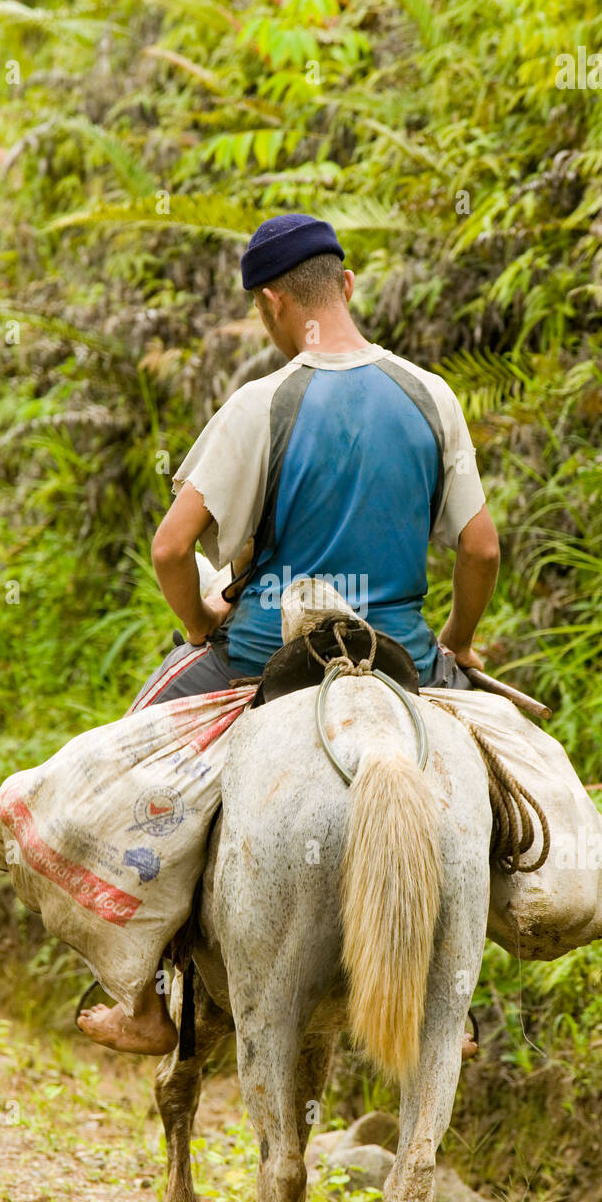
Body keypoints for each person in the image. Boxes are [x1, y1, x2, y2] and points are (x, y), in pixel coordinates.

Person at [78, 214, 500, 1055]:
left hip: (273, 651)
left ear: (273, 303)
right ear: (345, 285)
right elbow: (481, 548)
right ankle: (465, 993)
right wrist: (455, 640)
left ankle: (145, 992)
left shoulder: (260, 405)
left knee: (134, 758)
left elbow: (171, 548)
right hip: (402, 658)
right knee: (504, 788)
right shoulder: (431, 395)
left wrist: (200, 624)